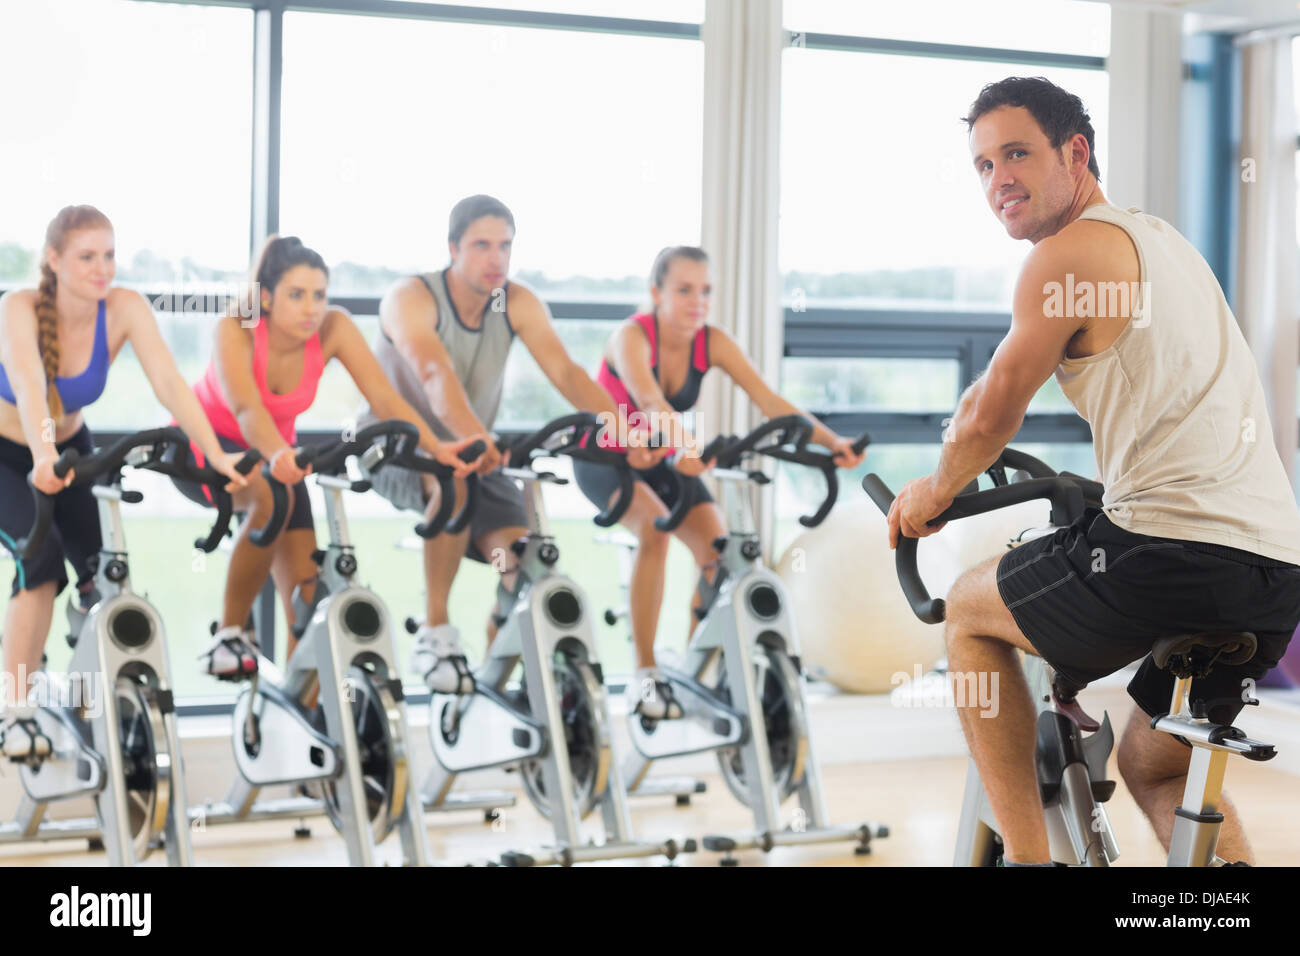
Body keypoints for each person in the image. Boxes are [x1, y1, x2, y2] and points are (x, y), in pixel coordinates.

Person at [884, 76, 1300, 865]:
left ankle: (1031, 859)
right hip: (1275, 571)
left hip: (1166, 550)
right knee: (1152, 763)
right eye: (981, 165)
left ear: (1075, 153)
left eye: (1017, 153)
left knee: (970, 611)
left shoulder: (1067, 252)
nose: (998, 178)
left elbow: (990, 408)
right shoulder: (1162, 242)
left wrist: (933, 496)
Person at [359, 195, 661, 696]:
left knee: (521, 561)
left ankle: (497, 665)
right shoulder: (412, 298)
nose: (496, 258)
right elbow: (433, 371)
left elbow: (565, 370)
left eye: (505, 245)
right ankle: (435, 631)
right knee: (451, 484)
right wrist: (475, 436)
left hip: (475, 453)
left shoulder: (514, 302)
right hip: (397, 448)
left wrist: (622, 430)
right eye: (482, 245)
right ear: (453, 248)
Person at [572, 245, 865, 720]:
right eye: (684, 290)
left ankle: (692, 674)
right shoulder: (631, 336)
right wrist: (685, 444)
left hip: (659, 454)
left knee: (720, 554)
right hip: (602, 455)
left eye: (705, 291)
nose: (697, 301)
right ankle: (646, 677)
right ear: (656, 293)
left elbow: (769, 400)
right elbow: (648, 401)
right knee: (655, 530)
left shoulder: (712, 342)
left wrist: (832, 442)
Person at [171, 235, 483, 681]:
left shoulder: (333, 328)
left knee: (308, 595)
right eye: (296, 295)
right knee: (268, 497)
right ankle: (230, 634)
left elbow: (382, 395)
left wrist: (435, 446)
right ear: (265, 297)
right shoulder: (236, 326)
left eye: (319, 295)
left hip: (277, 460)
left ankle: (303, 709)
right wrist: (278, 453)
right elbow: (245, 410)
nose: (311, 308)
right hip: (208, 449)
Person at [0, 205, 249, 759]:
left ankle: (90, 697)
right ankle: (13, 710)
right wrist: (43, 457)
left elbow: (169, 384)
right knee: (39, 565)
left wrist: (216, 454)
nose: (102, 268)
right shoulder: (17, 308)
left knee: (103, 574)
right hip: (10, 455)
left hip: (69, 448)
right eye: (87, 256)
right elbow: (30, 385)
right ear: (53, 260)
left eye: (109, 255)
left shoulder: (124, 308)